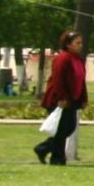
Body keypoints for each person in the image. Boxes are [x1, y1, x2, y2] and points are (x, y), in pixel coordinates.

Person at [34, 30, 87, 166]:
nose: (80, 45)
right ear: (68, 44)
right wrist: (62, 98)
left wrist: (83, 98)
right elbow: (58, 80)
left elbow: (81, 80)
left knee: (68, 128)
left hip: (72, 99)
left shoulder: (77, 59)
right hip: (59, 99)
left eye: (81, 43)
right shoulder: (62, 58)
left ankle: (43, 149)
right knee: (62, 129)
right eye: (77, 43)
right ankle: (57, 158)